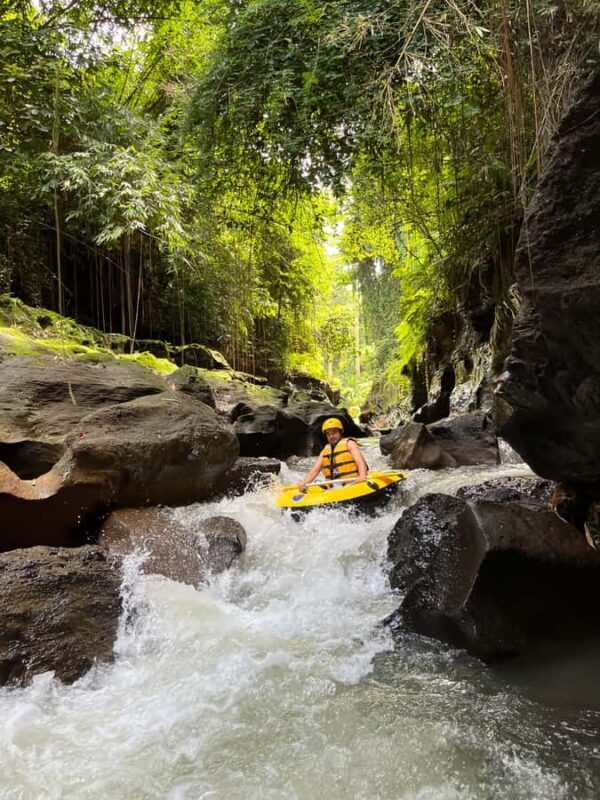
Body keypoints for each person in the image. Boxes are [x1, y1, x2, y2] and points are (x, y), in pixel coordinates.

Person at [298, 417, 368, 491]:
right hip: (333, 485)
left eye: (334, 432)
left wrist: (363, 475)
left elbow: (360, 462)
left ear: (340, 432)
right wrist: (305, 482)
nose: (331, 436)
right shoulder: (325, 450)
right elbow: (315, 470)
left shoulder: (350, 444)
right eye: (328, 434)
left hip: (352, 482)